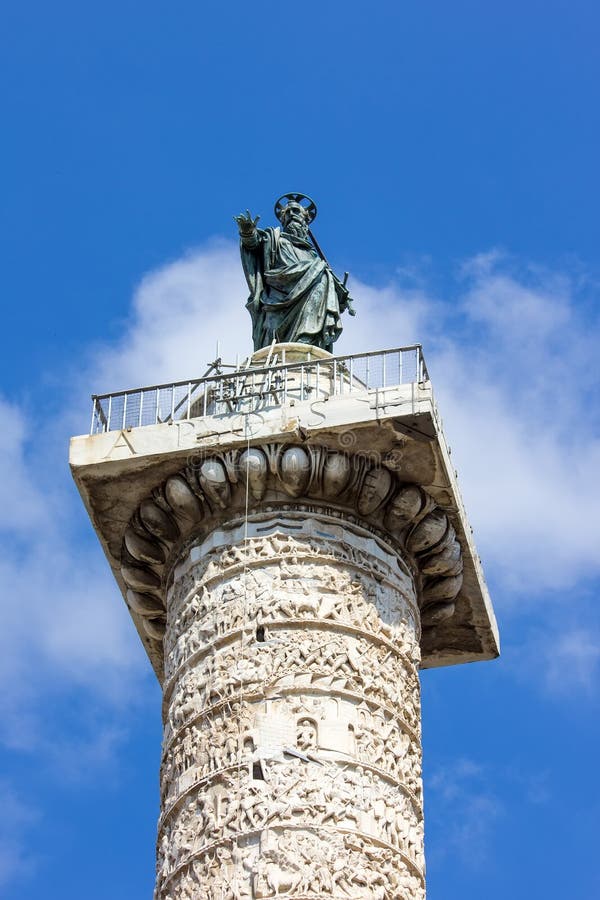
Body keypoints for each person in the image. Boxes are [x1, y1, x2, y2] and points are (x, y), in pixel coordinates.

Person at [234, 196, 354, 352]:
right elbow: (254, 244)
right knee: (321, 272)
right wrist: (248, 233)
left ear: (305, 219)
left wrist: (339, 297)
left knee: (322, 275)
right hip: (277, 298)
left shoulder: (312, 256)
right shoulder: (274, 238)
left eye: (296, 211)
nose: (291, 214)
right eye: (287, 212)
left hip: (309, 301)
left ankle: (308, 338)